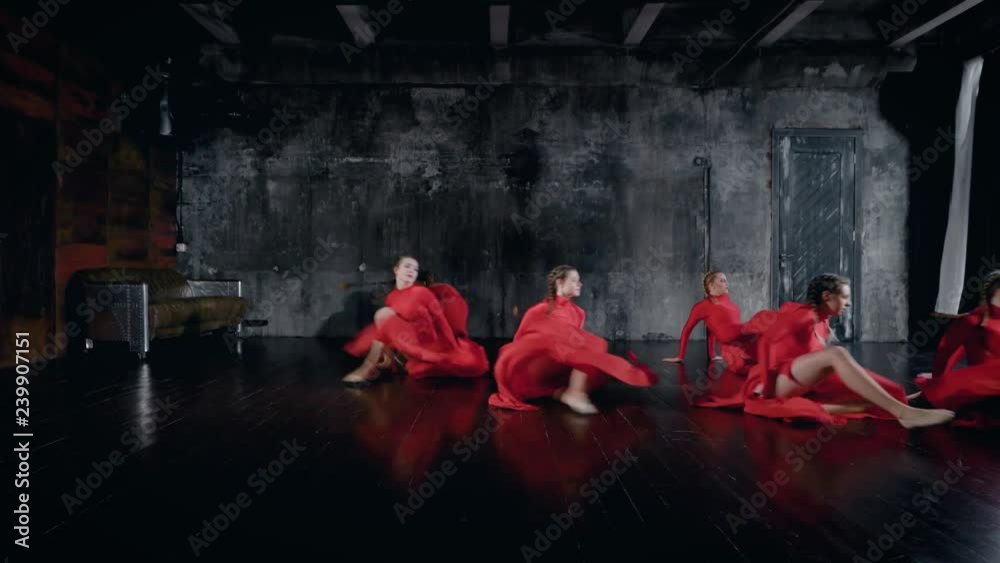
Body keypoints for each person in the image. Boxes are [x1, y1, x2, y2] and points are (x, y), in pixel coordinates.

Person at [740, 274, 954, 428]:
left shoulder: (822, 321)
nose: (848, 303)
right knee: (837, 354)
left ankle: (900, 402)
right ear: (826, 296)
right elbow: (766, 341)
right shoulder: (804, 316)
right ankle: (903, 412)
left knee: (856, 381)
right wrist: (768, 389)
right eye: (844, 297)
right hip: (776, 382)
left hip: (794, 377)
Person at [487, 265, 658, 414]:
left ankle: (568, 392)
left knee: (593, 356)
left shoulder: (579, 312)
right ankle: (572, 393)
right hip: (535, 364)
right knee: (593, 343)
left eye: (579, 280)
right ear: (560, 283)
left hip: (559, 360)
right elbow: (521, 342)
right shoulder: (539, 310)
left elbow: (576, 346)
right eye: (575, 280)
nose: (580, 284)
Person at [342, 256, 489, 385]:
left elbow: (440, 320)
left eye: (415, 269)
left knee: (383, 314)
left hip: (429, 341)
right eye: (407, 266)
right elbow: (391, 328)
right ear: (396, 270)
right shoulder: (391, 297)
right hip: (409, 341)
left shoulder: (421, 292)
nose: (411, 270)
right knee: (384, 318)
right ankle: (377, 364)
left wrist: (451, 348)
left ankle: (367, 368)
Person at [912, 270, 1000, 427]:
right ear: (990, 295)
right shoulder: (973, 321)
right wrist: (938, 379)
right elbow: (947, 352)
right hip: (979, 386)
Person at [662, 271, 758, 374]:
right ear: (712, 285)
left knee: (761, 359)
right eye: (722, 281)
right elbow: (687, 329)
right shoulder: (702, 306)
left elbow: (712, 327)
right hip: (733, 339)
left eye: (726, 281)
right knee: (761, 323)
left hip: (739, 340)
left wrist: (712, 354)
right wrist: (680, 356)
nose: (727, 284)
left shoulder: (728, 302)